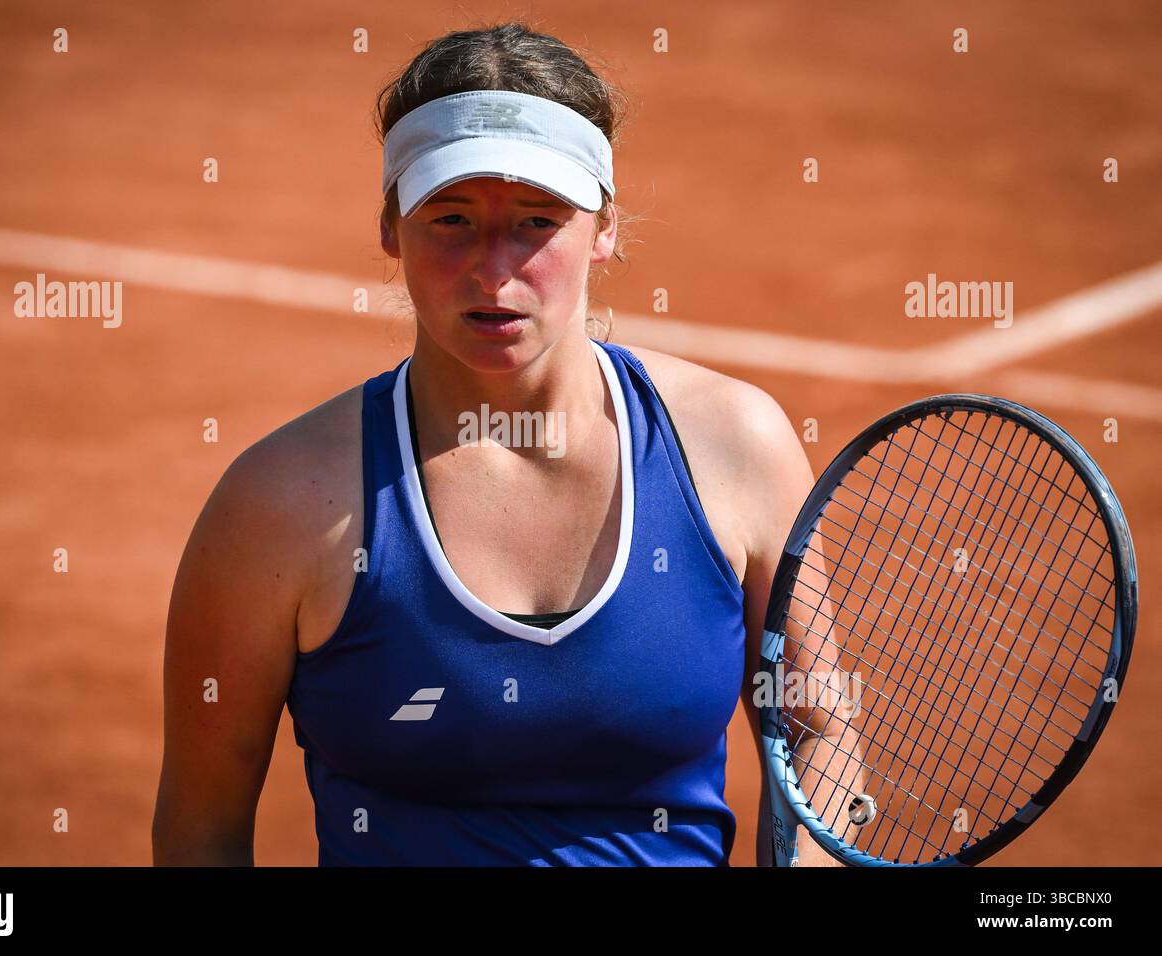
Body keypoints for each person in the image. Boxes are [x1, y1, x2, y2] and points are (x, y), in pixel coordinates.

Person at [152, 22, 828, 866]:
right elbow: (202, 824)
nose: (494, 271)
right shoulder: (278, 505)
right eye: (452, 219)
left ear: (605, 228)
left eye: (537, 222)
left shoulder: (737, 446)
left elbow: (816, 741)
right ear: (391, 225)